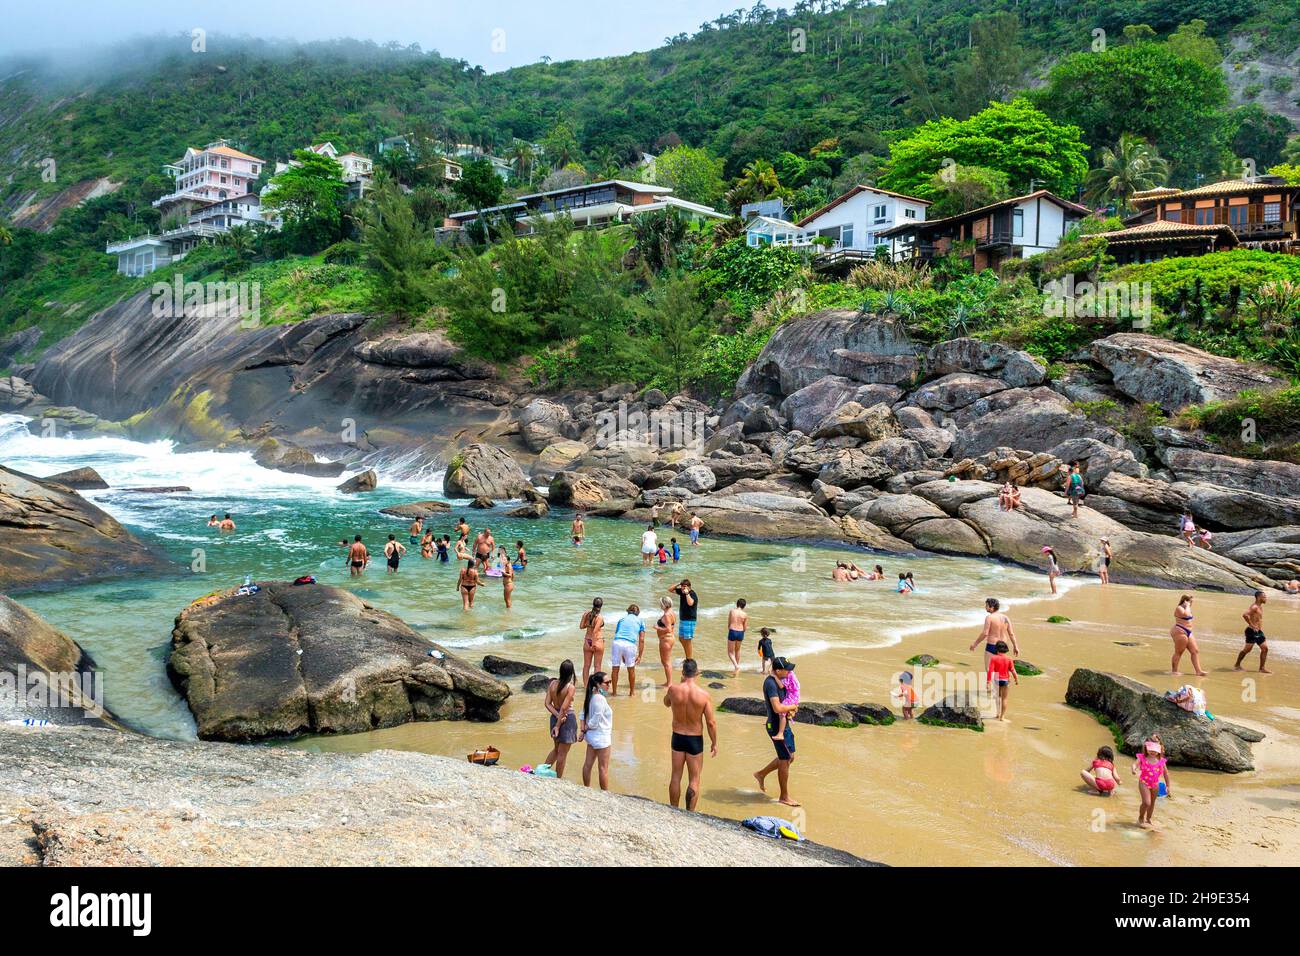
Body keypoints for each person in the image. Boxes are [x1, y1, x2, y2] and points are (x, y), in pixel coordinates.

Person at [664, 658, 717, 811]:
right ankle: (690, 814)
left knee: (675, 776)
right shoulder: (703, 695)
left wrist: (676, 687)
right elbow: (711, 722)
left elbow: (666, 703)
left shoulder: (673, 689)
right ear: (697, 673)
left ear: (683, 672)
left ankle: (674, 809)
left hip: (677, 737)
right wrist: (714, 742)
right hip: (694, 740)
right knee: (694, 779)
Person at [754, 657, 799, 807]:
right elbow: (777, 708)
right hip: (774, 726)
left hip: (783, 724)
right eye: (786, 669)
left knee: (789, 757)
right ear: (778, 670)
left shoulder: (779, 679)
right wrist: (792, 707)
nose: (789, 671)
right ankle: (784, 796)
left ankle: (761, 774)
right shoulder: (770, 684)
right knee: (785, 759)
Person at [543, 660, 579, 779]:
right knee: (562, 754)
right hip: (567, 720)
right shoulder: (570, 687)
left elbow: (547, 703)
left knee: (556, 749)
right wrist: (558, 724)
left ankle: (542, 772)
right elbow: (564, 708)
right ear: (571, 673)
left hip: (554, 718)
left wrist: (557, 716)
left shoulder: (552, 683)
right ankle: (558, 780)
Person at [580, 671, 613, 790]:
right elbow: (595, 720)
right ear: (598, 685)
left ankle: (586, 788)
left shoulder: (591, 696)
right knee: (603, 768)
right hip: (602, 737)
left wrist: (583, 730)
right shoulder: (600, 698)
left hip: (592, 737)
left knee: (588, 765)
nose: (609, 684)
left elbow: (582, 714)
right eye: (607, 682)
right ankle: (605, 795)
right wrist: (584, 730)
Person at [1132, 736, 1171, 830]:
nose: (1152, 752)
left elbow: (1166, 773)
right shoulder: (1142, 758)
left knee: (1152, 803)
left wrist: (1168, 785)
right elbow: (1135, 764)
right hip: (1144, 782)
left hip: (1155, 784)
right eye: (1150, 749)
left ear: (1160, 749)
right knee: (1147, 802)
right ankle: (1141, 818)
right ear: (1146, 747)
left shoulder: (1161, 760)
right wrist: (1133, 769)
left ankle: (1148, 819)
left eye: (1155, 750)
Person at [970, 597, 1018, 671]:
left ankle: (990, 683)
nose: (985, 607)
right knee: (999, 670)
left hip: (992, 646)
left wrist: (975, 644)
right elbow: (1011, 634)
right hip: (1003, 646)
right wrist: (1015, 646)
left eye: (986, 605)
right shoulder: (1006, 618)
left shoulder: (989, 618)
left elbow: (985, 633)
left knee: (989, 670)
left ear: (992, 607)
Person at [610, 604, 645, 697]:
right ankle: (632, 693)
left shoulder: (621, 620)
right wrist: (640, 656)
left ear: (628, 611)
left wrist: (622, 655)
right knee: (631, 670)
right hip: (630, 644)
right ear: (638, 613)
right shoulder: (640, 621)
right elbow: (641, 639)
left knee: (615, 669)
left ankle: (614, 693)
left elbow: (619, 636)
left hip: (617, 643)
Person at [1235, 590, 1271, 673]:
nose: (1266, 598)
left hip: (1259, 632)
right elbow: (1245, 615)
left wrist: (1258, 628)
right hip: (1251, 631)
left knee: (1265, 649)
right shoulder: (1254, 607)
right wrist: (1252, 625)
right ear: (1259, 598)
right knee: (1247, 650)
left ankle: (1262, 668)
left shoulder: (1260, 607)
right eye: (1264, 597)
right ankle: (1237, 665)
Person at [1170, 594, 1205, 676]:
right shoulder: (1179, 608)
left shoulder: (1187, 608)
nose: (1192, 604)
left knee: (1195, 651)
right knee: (1179, 652)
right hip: (1180, 631)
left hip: (1188, 632)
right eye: (1191, 602)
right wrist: (1188, 605)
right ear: (1186, 601)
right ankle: (1174, 671)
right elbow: (1186, 615)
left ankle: (1198, 671)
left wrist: (1188, 606)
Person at [986, 640, 1018, 721]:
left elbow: (990, 671)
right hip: (1005, 680)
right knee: (1004, 698)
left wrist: (988, 682)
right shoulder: (1009, 659)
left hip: (996, 680)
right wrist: (1016, 679)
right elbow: (1013, 670)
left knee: (998, 697)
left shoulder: (994, 658)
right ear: (1006, 649)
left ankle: (997, 713)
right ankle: (1002, 716)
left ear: (996, 649)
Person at [770, 660, 800, 741]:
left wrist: (774, 676)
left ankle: (780, 733)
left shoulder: (788, 675)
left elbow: (781, 686)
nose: (789, 670)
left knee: (781, 712)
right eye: (787, 669)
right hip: (795, 695)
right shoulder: (790, 674)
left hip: (792, 696)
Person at [670, 579, 698, 661]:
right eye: (682, 586)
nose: (683, 588)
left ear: (689, 587)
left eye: (685, 586)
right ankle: (688, 657)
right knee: (681, 638)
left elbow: (690, 603)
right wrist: (679, 583)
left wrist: (687, 593)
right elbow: (670, 589)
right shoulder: (682, 591)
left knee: (687, 640)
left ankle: (689, 659)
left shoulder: (692, 594)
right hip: (683, 619)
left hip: (689, 620)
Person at [580, 598, 605, 683]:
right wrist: (593, 644)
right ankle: (596, 686)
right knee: (597, 666)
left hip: (587, 641)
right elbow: (595, 631)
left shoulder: (587, 614)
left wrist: (585, 619)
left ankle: (586, 686)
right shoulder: (599, 617)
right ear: (601, 606)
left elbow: (581, 626)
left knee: (586, 666)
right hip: (597, 641)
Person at [654, 596, 677, 686]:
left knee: (666, 662)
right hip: (669, 639)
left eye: (661, 604)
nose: (660, 605)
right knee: (666, 661)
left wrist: (657, 627)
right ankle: (668, 682)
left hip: (666, 639)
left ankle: (669, 683)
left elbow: (668, 629)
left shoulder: (667, 615)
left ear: (664, 604)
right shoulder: (671, 612)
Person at [726, 598, 748, 676]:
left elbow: (729, 623)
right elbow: (745, 627)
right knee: (737, 650)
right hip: (740, 632)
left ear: (737, 604)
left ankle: (736, 666)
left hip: (733, 631)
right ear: (744, 606)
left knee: (730, 652)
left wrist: (730, 629)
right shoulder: (745, 614)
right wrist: (741, 632)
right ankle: (736, 668)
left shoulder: (732, 611)